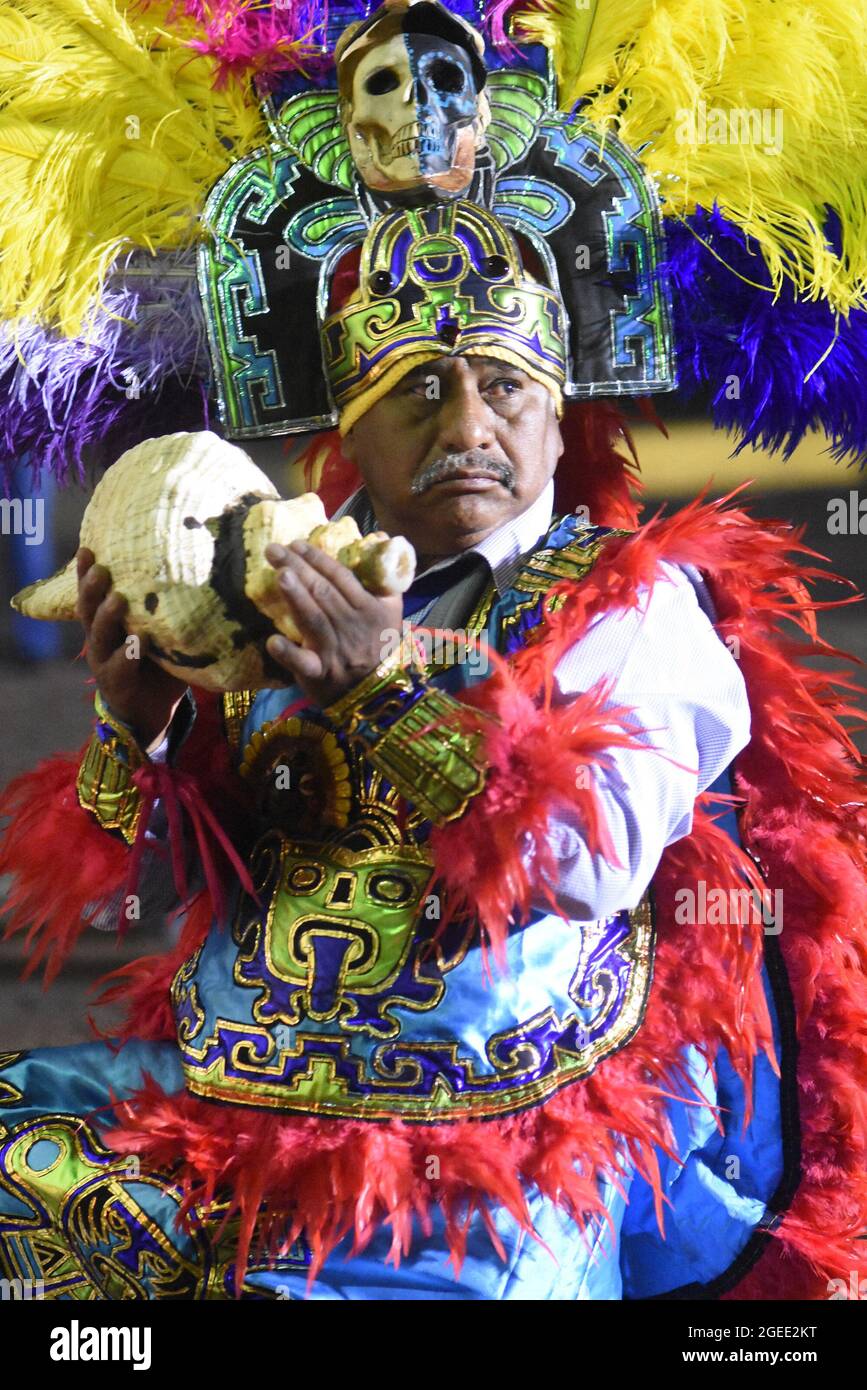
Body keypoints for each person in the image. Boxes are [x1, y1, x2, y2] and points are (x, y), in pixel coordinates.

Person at [2, 198, 864, 1302]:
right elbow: (169, 891)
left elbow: (579, 862)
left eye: (503, 387)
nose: (466, 427)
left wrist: (382, 691)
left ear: (560, 420)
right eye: (417, 390)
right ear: (347, 432)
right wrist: (144, 731)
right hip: (238, 1134)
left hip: (492, 1176)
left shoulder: (632, 609)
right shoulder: (270, 573)